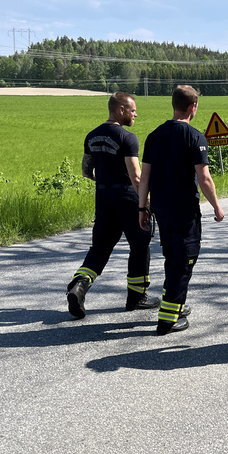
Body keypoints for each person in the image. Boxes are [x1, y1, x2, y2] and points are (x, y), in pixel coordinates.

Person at [137, 85, 224, 335]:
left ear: (173, 104)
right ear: (193, 107)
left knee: (172, 257)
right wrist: (217, 206)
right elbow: (204, 178)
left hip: (161, 209)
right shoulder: (195, 137)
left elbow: (145, 178)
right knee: (184, 259)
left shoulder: (154, 136)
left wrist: (142, 207)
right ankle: (168, 319)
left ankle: (176, 303)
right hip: (184, 210)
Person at [66, 92, 157, 319]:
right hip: (126, 197)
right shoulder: (128, 138)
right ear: (121, 110)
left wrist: (106, 180)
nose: (136, 114)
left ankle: (79, 286)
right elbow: (136, 177)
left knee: (100, 248)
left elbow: (86, 171)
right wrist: (146, 204)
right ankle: (136, 297)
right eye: (133, 110)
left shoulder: (92, 136)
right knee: (140, 243)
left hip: (104, 198)